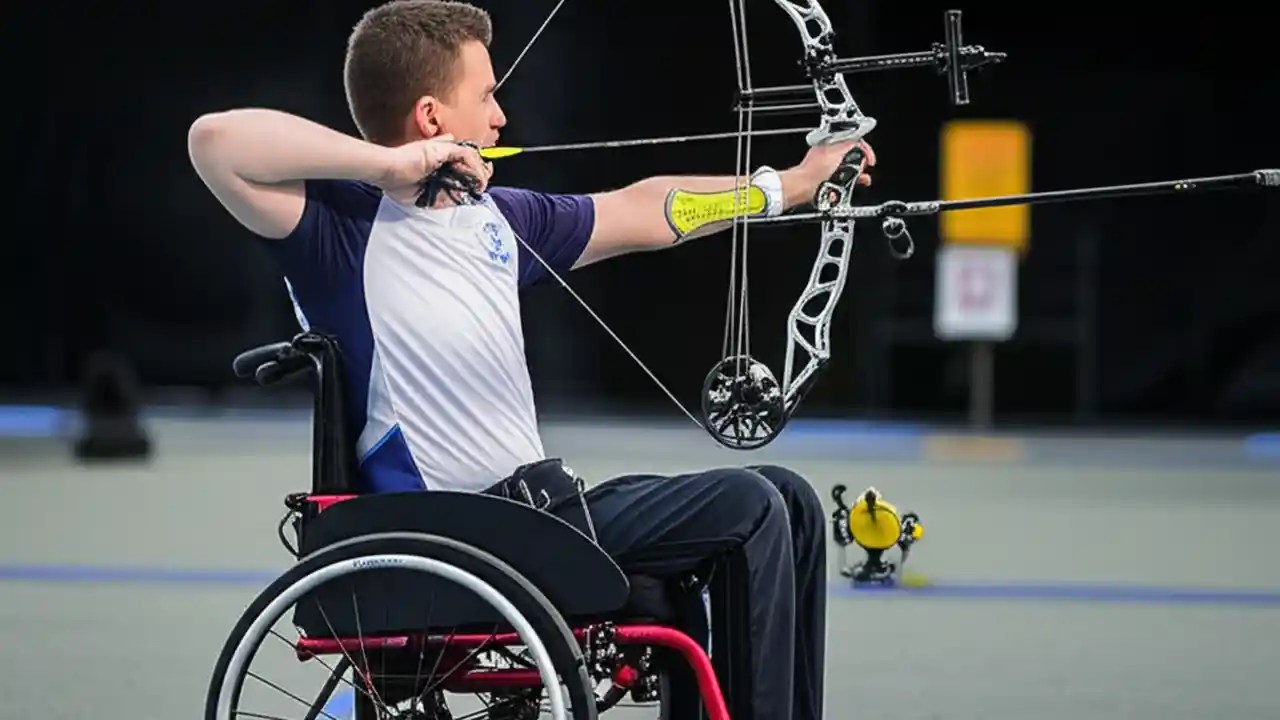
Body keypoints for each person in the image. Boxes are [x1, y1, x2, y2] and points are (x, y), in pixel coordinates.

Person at [187, 3, 876, 720]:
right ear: (430, 117)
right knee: (749, 504)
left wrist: (787, 187)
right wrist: (390, 165)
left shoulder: (499, 220)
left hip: (535, 514)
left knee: (786, 497)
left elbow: (647, 211)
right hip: (456, 531)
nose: (500, 118)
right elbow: (216, 141)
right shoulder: (338, 235)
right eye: (485, 95)